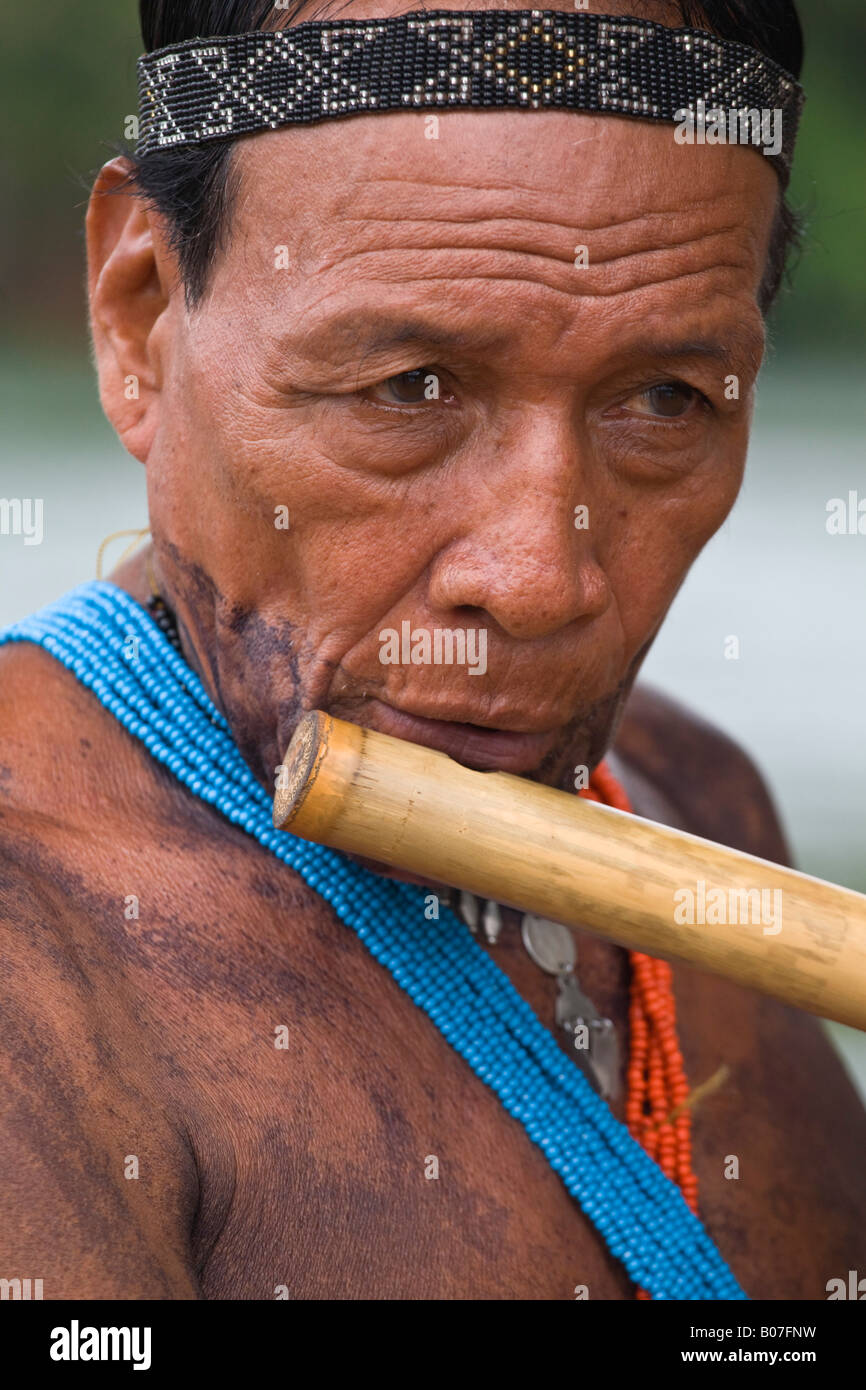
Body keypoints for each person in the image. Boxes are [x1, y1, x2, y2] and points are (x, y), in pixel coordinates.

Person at [0, 0, 863, 1300]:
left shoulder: (702, 798)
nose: (536, 582)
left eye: (661, 401)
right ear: (139, 318)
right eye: (408, 386)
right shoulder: (32, 961)